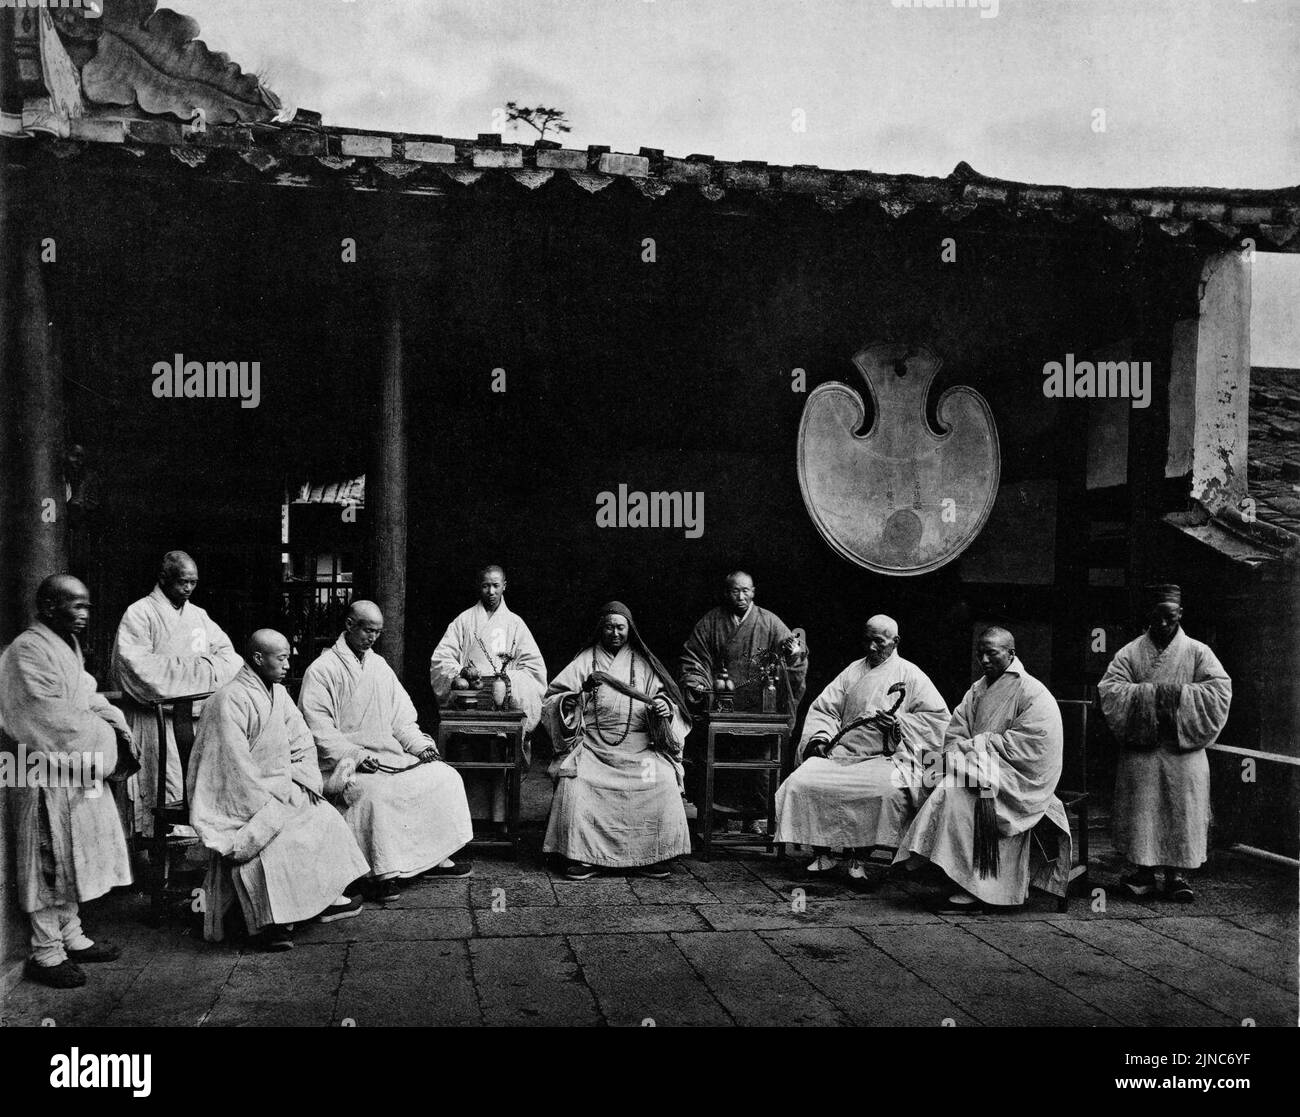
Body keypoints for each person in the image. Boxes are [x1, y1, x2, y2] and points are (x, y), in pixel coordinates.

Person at [187, 629, 369, 951]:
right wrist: (269, 802)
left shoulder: (279, 695)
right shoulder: (228, 699)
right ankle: (272, 921)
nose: (288, 664)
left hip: (283, 788)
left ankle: (322, 900)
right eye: (282, 658)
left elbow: (302, 743)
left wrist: (299, 782)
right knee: (279, 835)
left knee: (324, 816)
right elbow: (230, 767)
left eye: (288, 657)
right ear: (258, 659)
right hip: (245, 797)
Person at [0, 576, 131, 989]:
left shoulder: (65, 647)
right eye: (75, 606)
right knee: (47, 861)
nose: (84, 614)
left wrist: (109, 718)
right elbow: (43, 717)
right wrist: (105, 736)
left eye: (87, 606)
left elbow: (87, 695)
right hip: (38, 770)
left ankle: (71, 935)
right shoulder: (26, 650)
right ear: (48, 606)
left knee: (72, 855)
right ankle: (46, 951)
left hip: (72, 769)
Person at [299, 601, 474, 901]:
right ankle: (382, 873)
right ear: (350, 624)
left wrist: (419, 747)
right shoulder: (322, 670)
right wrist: (354, 755)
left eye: (378, 633)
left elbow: (401, 718)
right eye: (368, 630)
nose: (372, 638)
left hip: (388, 753)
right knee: (377, 795)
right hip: (346, 763)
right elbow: (318, 729)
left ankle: (432, 858)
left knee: (445, 777)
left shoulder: (379, 666)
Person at [894, 627, 1072, 912]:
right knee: (920, 774)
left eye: (992, 653)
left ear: (1011, 653)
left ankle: (974, 886)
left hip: (1016, 778)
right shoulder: (977, 690)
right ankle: (944, 867)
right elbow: (955, 732)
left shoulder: (1033, 692)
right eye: (980, 654)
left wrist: (977, 746)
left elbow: (1031, 748)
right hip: (980, 768)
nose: (984, 660)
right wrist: (965, 753)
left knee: (953, 794)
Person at [775, 615, 949, 887]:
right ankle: (823, 854)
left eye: (878, 642)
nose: (871, 648)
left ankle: (860, 859)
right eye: (867, 640)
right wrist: (821, 739)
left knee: (882, 791)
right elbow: (826, 709)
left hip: (887, 757)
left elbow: (938, 722)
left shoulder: (911, 675)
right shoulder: (852, 671)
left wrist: (899, 723)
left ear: (895, 642)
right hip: (842, 753)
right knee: (802, 781)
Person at [1098, 584, 1232, 903]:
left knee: (1182, 811)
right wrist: (1155, 697)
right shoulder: (1130, 653)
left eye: (1169, 618)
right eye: (1156, 617)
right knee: (1142, 811)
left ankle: (1177, 875)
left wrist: (1173, 697)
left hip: (1183, 751)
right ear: (1149, 616)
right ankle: (1143, 872)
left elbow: (1220, 691)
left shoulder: (1198, 652)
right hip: (1142, 752)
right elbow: (1110, 689)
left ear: (1180, 615)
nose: (1162, 624)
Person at [543, 601, 692, 880]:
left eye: (620, 627)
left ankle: (652, 855)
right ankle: (584, 858)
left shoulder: (643, 662)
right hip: (594, 747)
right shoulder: (586, 660)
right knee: (575, 783)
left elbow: (665, 697)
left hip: (640, 748)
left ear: (629, 629)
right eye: (609, 627)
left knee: (660, 779)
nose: (615, 633)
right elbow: (554, 699)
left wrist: (662, 707)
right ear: (601, 628)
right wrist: (573, 699)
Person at [111, 550, 242, 837]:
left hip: (194, 723)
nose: (188, 589)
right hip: (153, 720)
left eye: (193, 583)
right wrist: (203, 671)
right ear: (164, 578)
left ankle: (189, 867)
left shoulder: (199, 617)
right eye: (183, 582)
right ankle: (153, 869)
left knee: (194, 791)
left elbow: (231, 661)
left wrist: (187, 670)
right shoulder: (140, 613)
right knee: (157, 793)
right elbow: (140, 670)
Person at [679, 570, 808, 831]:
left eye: (746, 590)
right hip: (721, 705)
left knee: (758, 764)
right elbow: (694, 657)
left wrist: (795, 654)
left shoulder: (769, 621)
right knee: (716, 760)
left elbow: (793, 650)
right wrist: (699, 683)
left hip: (758, 706)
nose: (741, 596)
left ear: (754, 592)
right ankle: (716, 817)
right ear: (727, 592)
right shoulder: (711, 622)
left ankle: (755, 817)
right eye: (735, 591)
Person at [429, 565, 547, 821]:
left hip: (502, 711)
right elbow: (441, 659)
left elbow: (534, 670)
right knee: (466, 760)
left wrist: (508, 682)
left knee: (498, 762)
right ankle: (466, 825)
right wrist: (460, 674)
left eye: (496, 585)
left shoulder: (516, 624)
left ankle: (498, 822)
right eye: (485, 585)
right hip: (470, 706)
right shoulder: (464, 621)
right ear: (478, 586)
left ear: (505, 585)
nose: (491, 591)